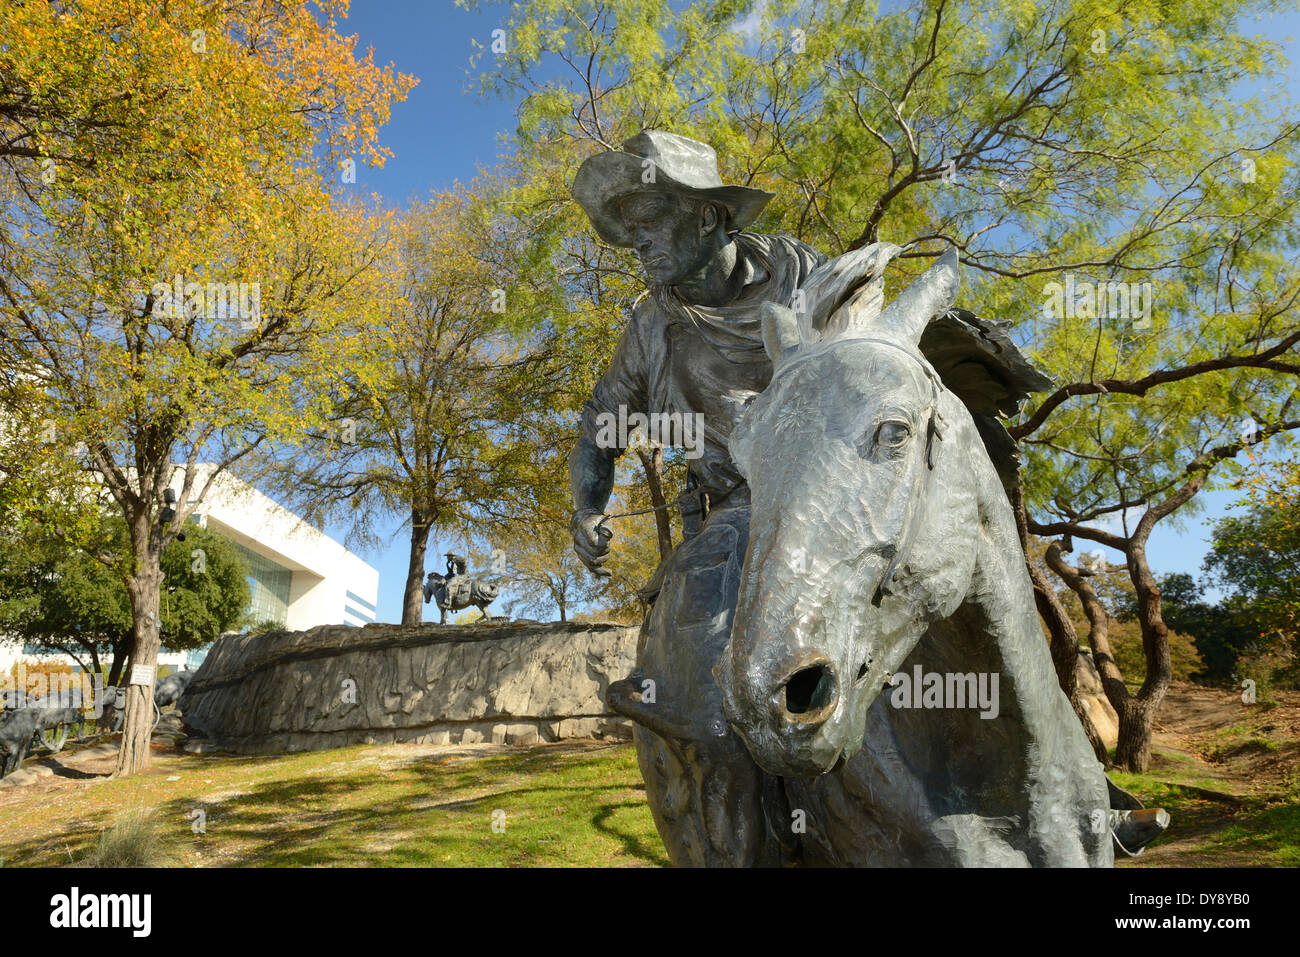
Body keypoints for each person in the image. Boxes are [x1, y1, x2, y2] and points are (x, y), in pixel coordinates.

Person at [569, 131, 825, 865]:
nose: (636, 242)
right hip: (740, 511)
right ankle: (731, 839)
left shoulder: (806, 279)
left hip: (831, 489)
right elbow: (598, 430)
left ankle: (1070, 798)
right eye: (629, 228)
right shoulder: (651, 325)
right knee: (702, 627)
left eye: (650, 221)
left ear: (710, 217)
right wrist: (588, 506)